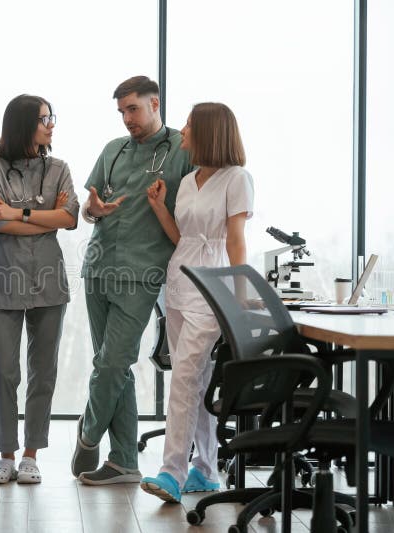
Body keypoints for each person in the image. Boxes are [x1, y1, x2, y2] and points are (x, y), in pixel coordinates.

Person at [72, 76, 194, 485]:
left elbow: (196, 210)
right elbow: (88, 211)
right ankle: (124, 460)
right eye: (122, 112)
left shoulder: (182, 149)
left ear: (155, 104)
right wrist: (94, 210)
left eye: (133, 109)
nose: (127, 119)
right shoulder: (113, 150)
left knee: (113, 362)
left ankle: (88, 434)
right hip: (99, 266)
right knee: (110, 365)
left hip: (143, 273)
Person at [140, 102, 253, 503]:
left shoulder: (237, 178)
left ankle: (171, 470)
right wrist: (158, 206)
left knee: (187, 375)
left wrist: (241, 296)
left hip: (214, 287)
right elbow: (181, 237)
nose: (182, 132)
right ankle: (204, 469)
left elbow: (236, 239)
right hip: (179, 282)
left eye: (188, 126)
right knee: (194, 377)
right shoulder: (188, 181)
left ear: (208, 132)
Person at [0, 94, 79, 485]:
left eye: (52, 116)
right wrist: (45, 218)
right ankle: (6, 453)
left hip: (49, 282)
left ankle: (31, 454)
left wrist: (18, 212)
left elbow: (69, 219)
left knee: (43, 373)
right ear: (23, 124)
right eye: (44, 118)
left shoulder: (59, 168)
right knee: (3, 372)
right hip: (5, 279)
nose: (51, 123)